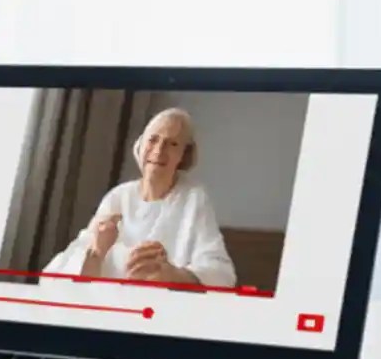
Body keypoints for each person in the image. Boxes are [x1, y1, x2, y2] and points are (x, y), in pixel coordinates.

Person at [42, 108, 237, 288]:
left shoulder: (194, 199)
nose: (159, 150)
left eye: (172, 144)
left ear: (184, 155)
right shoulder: (118, 196)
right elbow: (58, 278)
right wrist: (96, 252)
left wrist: (172, 275)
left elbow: (222, 274)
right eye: (153, 139)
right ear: (140, 145)